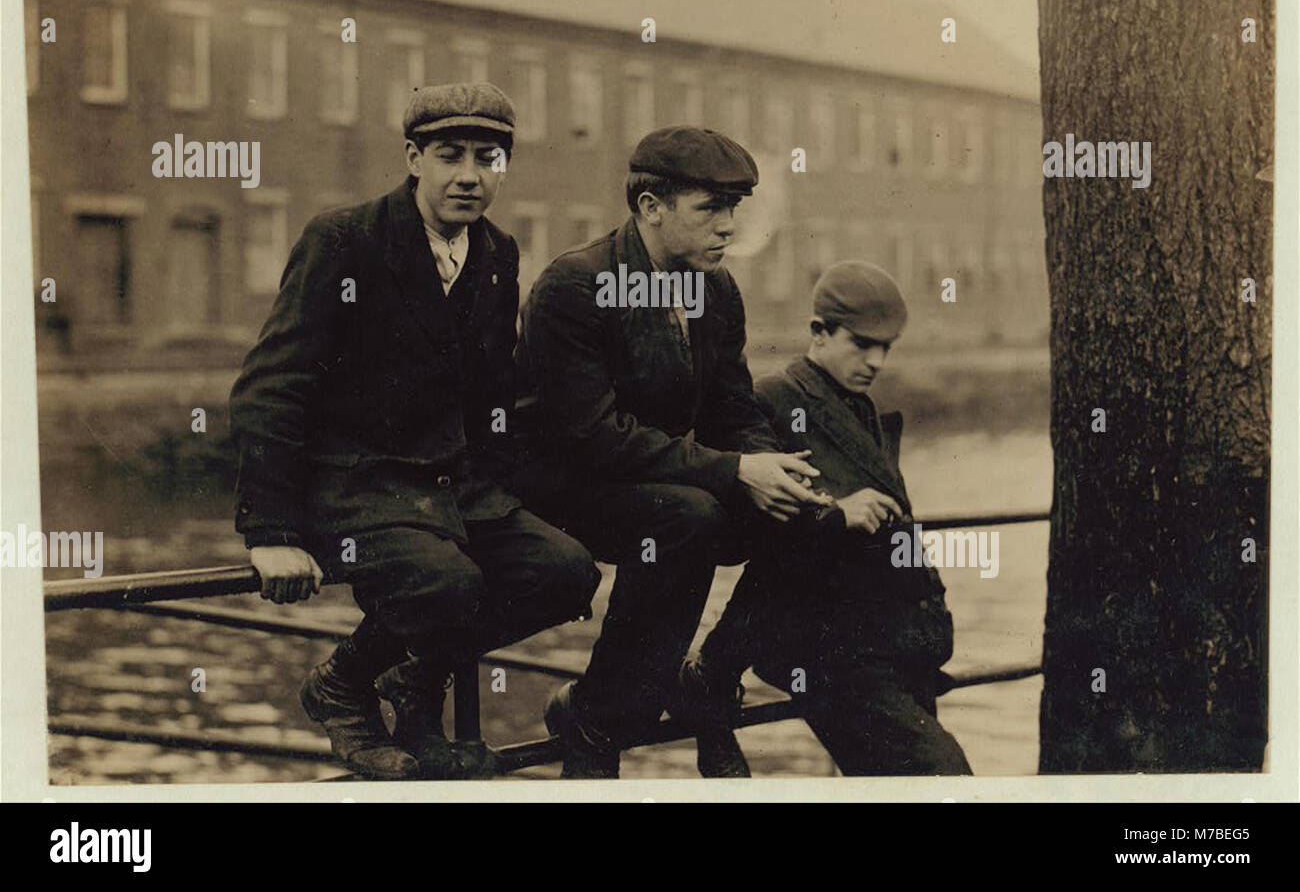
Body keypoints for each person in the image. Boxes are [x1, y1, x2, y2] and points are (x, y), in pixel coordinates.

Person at [228, 83, 600, 780]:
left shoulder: (496, 252)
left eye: (488, 157)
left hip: (448, 484)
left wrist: (506, 495)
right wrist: (270, 532)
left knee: (564, 572)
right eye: (449, 154)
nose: (469, 174)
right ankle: (345, 686)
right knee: (445, 582)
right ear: (413, 158)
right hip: (353, 480)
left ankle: (409, 685)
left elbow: (493, 397)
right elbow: (272, 384)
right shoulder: (343, 240)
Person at [511, 125, 830, 778]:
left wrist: (774, 468)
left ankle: (705, 681)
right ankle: (600, 720)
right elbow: (592, 435)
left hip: (658, 478)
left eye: (735, 207)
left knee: (801, 518)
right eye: (710, 208)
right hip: (565, 486)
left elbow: (732, 407)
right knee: (689, 517)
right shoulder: (576, 284)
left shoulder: (714, 289)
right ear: (650, 207)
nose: (729, 226)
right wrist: (735, 471)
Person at [682, 260, 973, 776]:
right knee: (943, 775)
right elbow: (762, 526)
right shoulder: (775, 399)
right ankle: (708, 682)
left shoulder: (859, 408)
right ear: (819, 332)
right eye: (862, 344)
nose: (877, 361)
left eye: (886, 347)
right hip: (833, 653)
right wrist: (838, 513)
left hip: (894, 649)